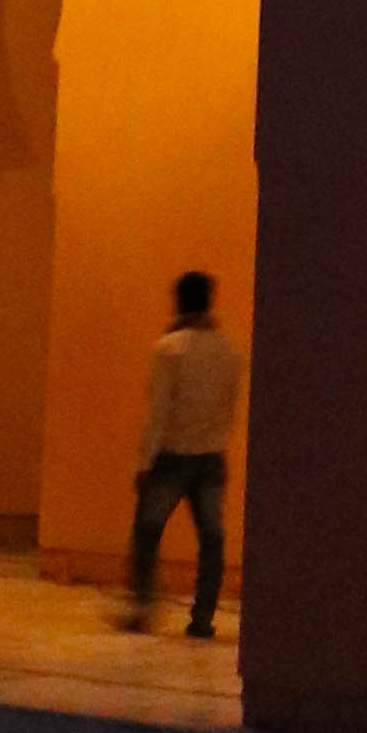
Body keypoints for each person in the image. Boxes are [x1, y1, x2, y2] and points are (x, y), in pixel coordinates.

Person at [124, 268, 244, 639]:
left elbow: (157, 412)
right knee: (212, 538)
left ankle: (143, 608)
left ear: (178, 301)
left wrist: (144, 462)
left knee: (147, 531)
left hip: (172, 458)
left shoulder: (169, 349)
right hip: (211, 457)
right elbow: (230, 407)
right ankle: (203, 617)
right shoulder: (229, 351)